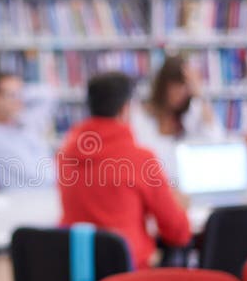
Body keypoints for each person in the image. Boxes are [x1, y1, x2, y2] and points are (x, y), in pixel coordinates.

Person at [57, 71, 191, 270]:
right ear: (126, 109)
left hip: (78, 267)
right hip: (129, 271)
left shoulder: (65, 154)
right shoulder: (140, 159)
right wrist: (180, 207)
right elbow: (178, 232)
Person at [131, 55, 224, 183]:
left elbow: (216, 139)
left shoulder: (191, 115)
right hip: (152, 186)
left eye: (186, 87)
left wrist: (200, 95)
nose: (181, 92)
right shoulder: (141, 116)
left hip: (183, 187)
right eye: (176, 86)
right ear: (163, 86)